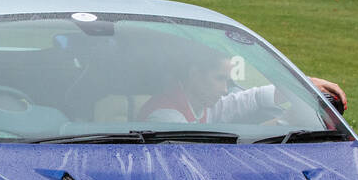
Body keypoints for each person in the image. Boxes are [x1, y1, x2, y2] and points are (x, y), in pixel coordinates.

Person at [138, 43, 346, 124]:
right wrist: (282, 123)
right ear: (195, 74)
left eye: (228, 81)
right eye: (219, 79)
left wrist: (304, 84)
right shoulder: (165, 117)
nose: (224, 89)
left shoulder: (202, 106)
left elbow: (253, 97)